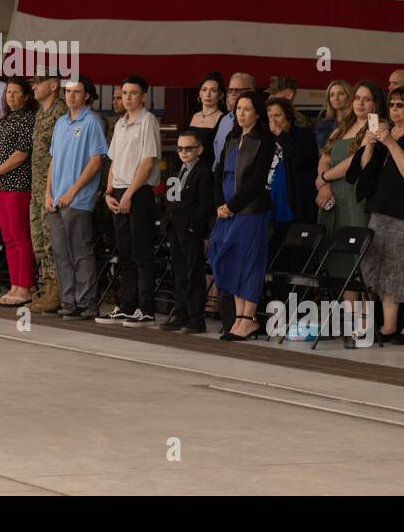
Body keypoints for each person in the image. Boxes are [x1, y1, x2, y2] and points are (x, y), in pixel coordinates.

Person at [346, 85, 404, 345]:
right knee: (382, 267)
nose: (395, 110)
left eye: (400, 105)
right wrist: (372, 146)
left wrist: (389, 142)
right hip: (381, 210)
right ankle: (388, 325)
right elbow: (363, 172)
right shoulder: (387, 133)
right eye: (392, 105)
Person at [209, 92, 276, 342]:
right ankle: (238, 317)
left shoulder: (265, 140)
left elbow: (257, 181)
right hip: (226, 212)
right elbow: (218, 173)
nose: (242, 113)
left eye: (247, 109)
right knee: (227, 258)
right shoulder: (231, 137)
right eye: (239, 109)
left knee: (249, 262)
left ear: (257, 114)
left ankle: (248, 319)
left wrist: (233, 205)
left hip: (249, 210)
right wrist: (220, 205)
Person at [96, 75, 162, 328]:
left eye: (133, 93)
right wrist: (109, 192)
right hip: (119, 191)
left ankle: (146, 308)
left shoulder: (148, 121)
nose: (128, 97)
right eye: (124, 93)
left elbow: (147, 163)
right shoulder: (121, 124)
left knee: (142, 251)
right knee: (123, 252)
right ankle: (127, 305)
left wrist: (129, 194)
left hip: (139, 192)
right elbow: (113, 161)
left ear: (144, 95)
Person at [315, 81, 382, 314]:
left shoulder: (376, 124)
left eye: (367, 99)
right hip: (334, 196)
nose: (360, 103)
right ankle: (350, 314)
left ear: (375, 103)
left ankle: (366, 316)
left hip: (356, 197)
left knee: (361, 256)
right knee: (339, 257)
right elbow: (325, 155)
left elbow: (356, 161)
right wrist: (323, 184)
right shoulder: (343, 126)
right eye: (357, 98)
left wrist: (325, 177)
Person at [46, 75, 108, 319]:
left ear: (87, 95)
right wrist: (47, 192)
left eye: (77, 91)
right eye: (68, 91)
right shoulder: (60, 122)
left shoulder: (92, 122)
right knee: (61, 252)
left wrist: (72, 192)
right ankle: (69, 301)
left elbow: (95, 161)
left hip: (78, 199)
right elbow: (53, 160)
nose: (71, 95)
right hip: (56, 199)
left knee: (80, 252)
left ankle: (87, 302)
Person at [0, 78, 36, 306]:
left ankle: (24, 287)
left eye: (17, 92)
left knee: (20, 237)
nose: (11, 96)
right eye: (9, 92)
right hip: (0, 185)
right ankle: (15, 285)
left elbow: (21, 154)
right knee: (7, 238)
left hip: (18, 185)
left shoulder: (27, 119)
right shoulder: (5, 120)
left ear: (26, 96)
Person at [160, 129, 213, 332]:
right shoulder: (177, 169)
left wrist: (194, 226)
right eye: (180, 148)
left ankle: (195, 318)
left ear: (199, 150)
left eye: (188, 149)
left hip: (190, 230)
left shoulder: (203, 172)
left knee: (193, 274)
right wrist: (167, 221)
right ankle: (181, 313)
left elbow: (205, 203)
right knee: (179, 274)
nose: (184, 152)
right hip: (175, 228)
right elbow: (170, 199)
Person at [28, 71, 68, 311]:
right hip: (37, 186)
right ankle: (48, 286)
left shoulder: (60, 113)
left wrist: (53, 188)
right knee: (39, 239)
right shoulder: (41, 114)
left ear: (53, 85)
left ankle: (58, 289)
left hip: (52, 187)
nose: (34, 87)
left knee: (52, 240)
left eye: (38, 83)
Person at [266, 96, 318, 227]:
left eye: (277, 115)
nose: (272, 120)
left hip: (294, 207)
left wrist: (280, 134)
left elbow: (299, 159)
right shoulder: (265, 139)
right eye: (269, 116)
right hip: (267, 205)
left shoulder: (304, 135)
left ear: (288, 117)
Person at [186, 71, 225, 170]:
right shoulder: (193, 116)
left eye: (213, 90)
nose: (208, 94)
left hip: (209, 171)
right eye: (204, 89)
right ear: (200, 93)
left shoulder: (224, 119)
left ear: (220, 95)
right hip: (189, 169)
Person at [213, 72, 253, 166]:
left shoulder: (256, 118)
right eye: (230, 90)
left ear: (251, 91)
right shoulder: (224, 119)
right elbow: (217, 153)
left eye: (238, 90)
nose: (233, 94)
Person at [315, 79, 352, 150]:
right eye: (332, 95)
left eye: (341, 94)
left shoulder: (356, 122)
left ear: (349, 96)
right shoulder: (323, 123)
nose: (336, 98)